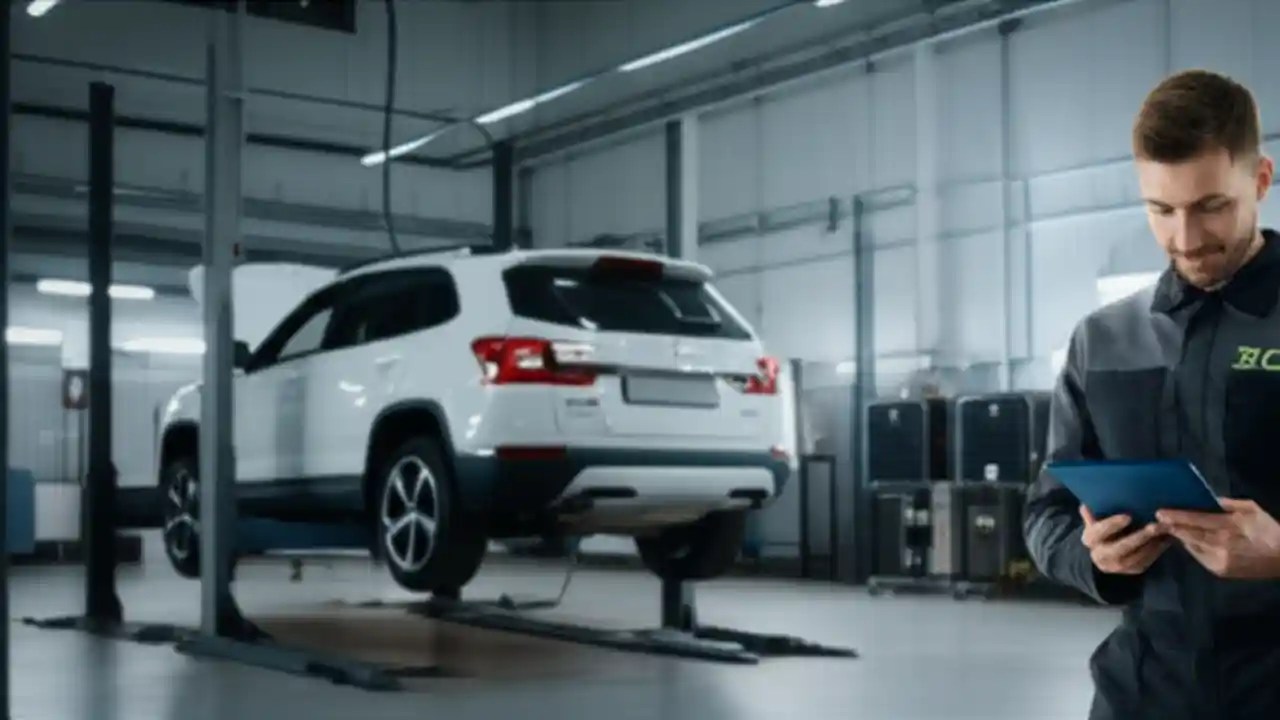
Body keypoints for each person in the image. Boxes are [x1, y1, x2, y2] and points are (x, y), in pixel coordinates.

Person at [1024, 68, 1280, 720]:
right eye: (1161, 211)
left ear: (1261, 180)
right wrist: (1095, 560)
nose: (1186, 240)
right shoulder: (1103, 340)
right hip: (1143, 691)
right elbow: (1046, 513)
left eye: (1211, 206)